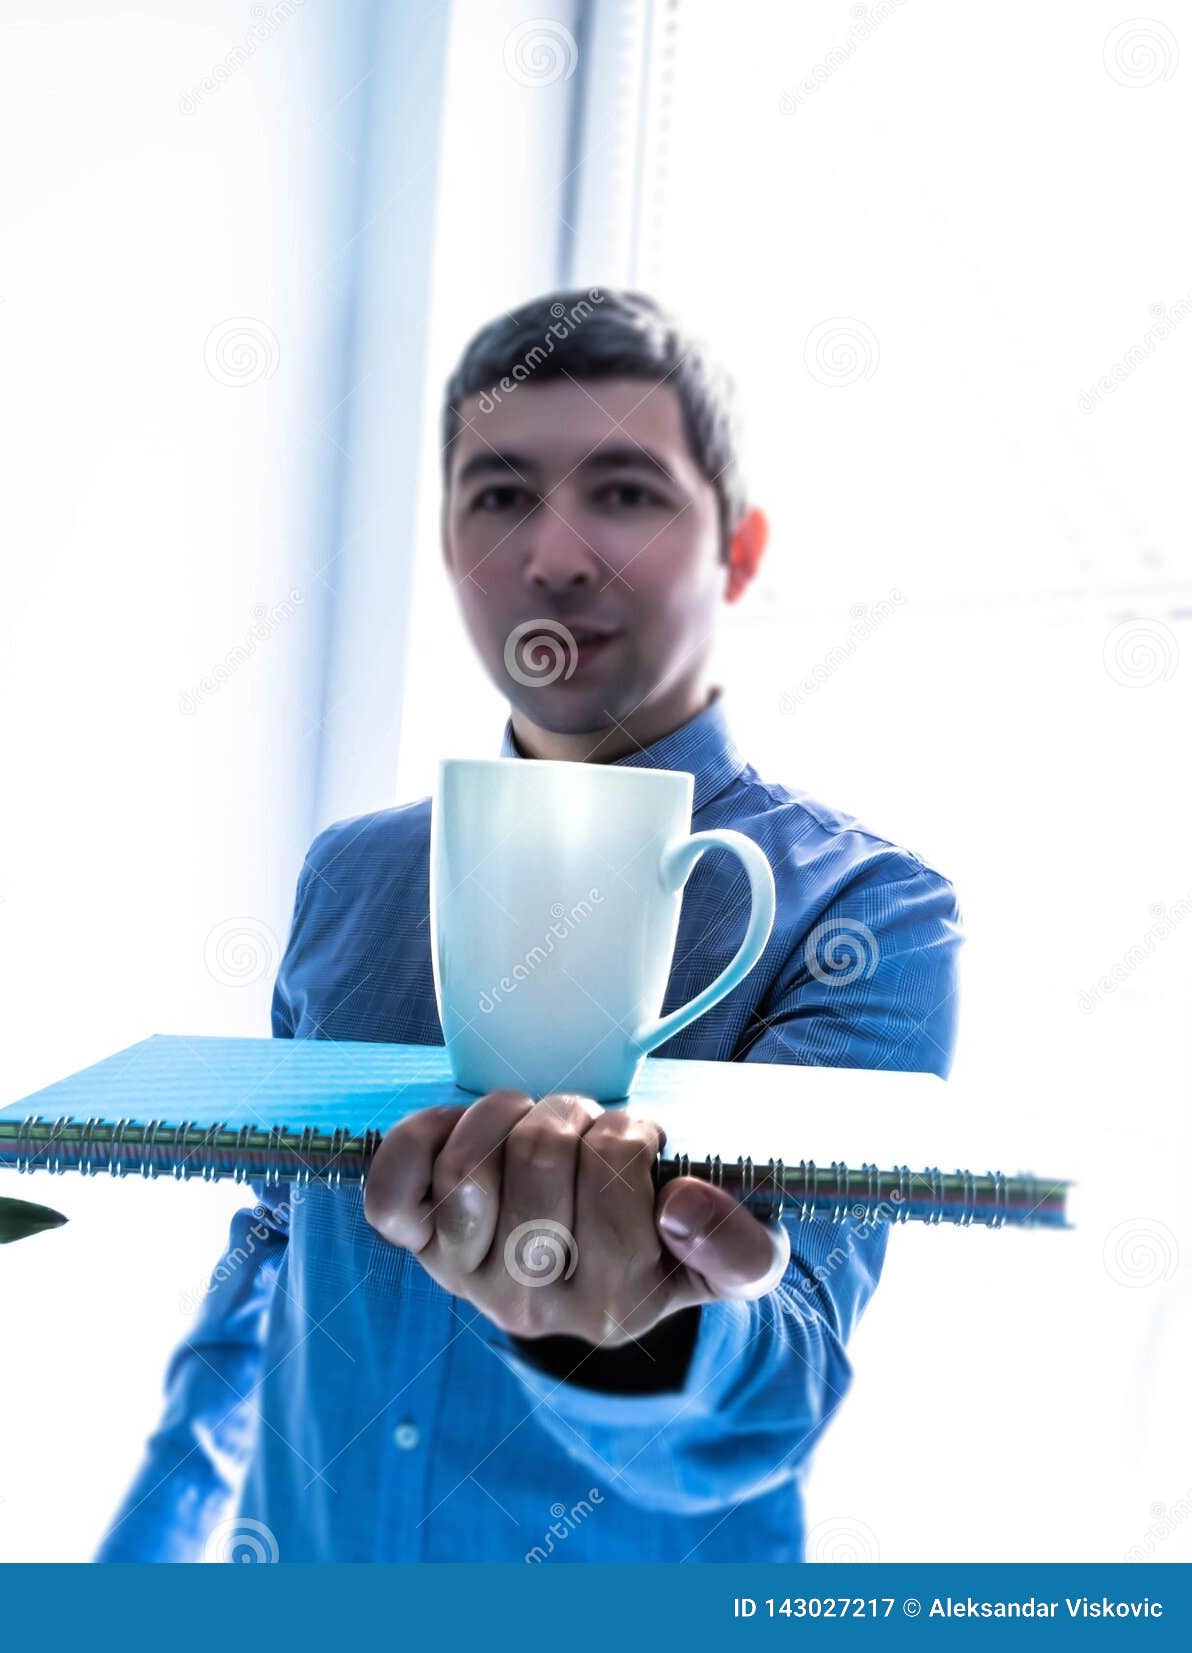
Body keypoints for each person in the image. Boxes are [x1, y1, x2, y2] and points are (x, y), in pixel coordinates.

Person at [97, 288, 962, 1563]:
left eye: (624, 492)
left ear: (740, 549)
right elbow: (273, 1241)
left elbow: (789, 1374)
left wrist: (632, 1335)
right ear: (449, 546)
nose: (557, 556)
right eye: (500, 496)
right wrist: (148, 1547)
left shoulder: (865, 911)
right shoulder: (346, 877)